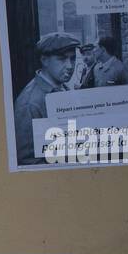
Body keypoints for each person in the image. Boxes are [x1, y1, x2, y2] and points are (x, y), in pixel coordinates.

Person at [13, 32, 79, 165]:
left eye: (73, 58)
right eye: (62, 59)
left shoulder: (62, 88)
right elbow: (28, 161)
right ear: (44, 60)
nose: (70, 66)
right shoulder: (31, 103)